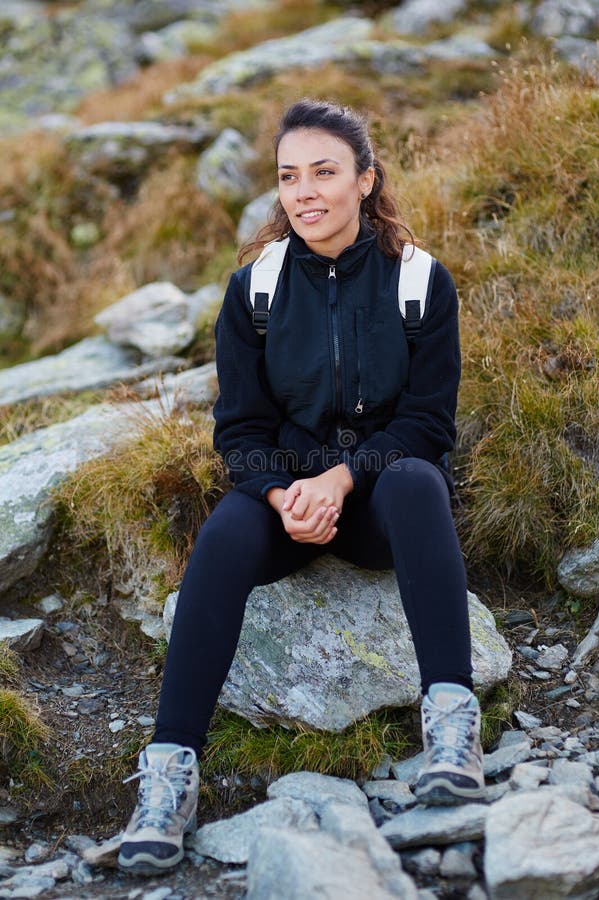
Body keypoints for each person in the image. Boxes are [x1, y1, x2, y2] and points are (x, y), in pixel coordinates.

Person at [118, 98, 485, 875]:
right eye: (289, 176)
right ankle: (168, 775)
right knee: (222, 534)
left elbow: (427, 424)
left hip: (382, 497)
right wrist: (287, 495)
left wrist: (344, 477)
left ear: (365, 180)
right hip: (286, 497)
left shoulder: (420, 283)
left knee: (419, 482)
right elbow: (241, 433)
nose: (305, 191)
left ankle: (453, 729)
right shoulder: (254, 289)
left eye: (325, 172)